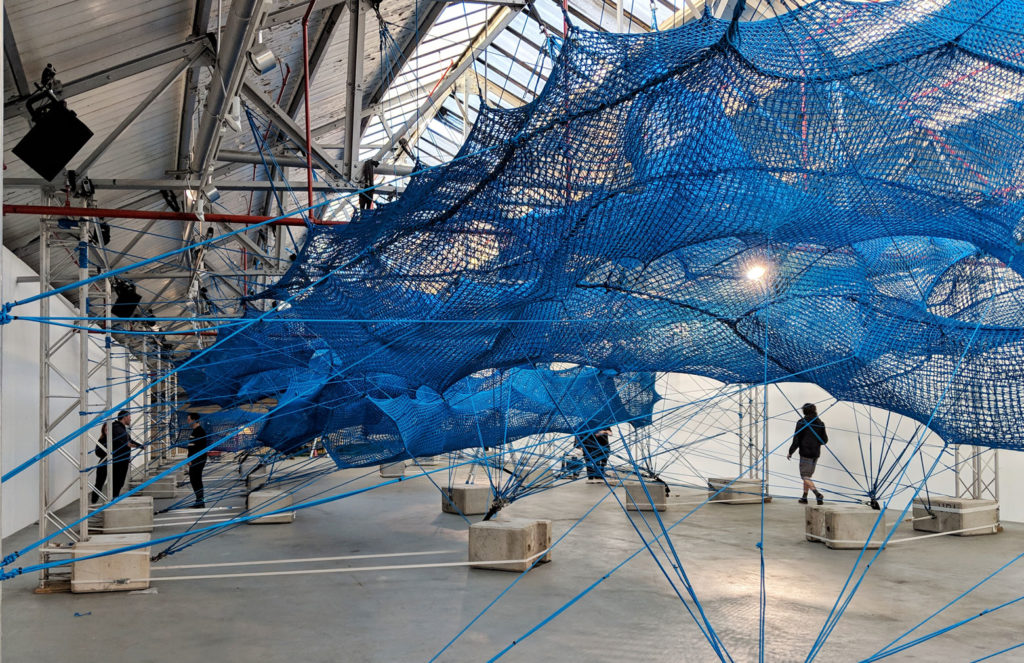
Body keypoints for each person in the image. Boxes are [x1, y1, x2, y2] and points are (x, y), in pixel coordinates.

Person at [93, 410, 141, 503]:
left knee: (118, 482)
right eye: (129, 416)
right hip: (109, 462)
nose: (130, 418)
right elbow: (98, 452)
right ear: (125, 417)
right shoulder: (115, 430)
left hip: (119, 462)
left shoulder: (122, 430)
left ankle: (113, 500)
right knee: (101, 483)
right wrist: (126, 445)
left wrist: (141, 446)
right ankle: (95, 503)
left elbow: (128, 442)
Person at [787, 403, 828, 505]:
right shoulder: (820, 423)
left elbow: (796, 439)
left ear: (804, 411)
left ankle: (818, 494)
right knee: (807, 476)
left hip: (805, 453)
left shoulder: (801, 422)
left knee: (805, 476)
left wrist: (790, 451)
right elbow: (824, 440)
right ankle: (804, 497)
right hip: (816, 453)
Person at [186, 412, 210, 508]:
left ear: (194, 420)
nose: (188, 422)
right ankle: (199, 500)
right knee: (194, 479)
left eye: (189, 420)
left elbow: (198, 448)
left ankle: (200, 501)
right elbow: (192, 447)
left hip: (198, 460)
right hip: (194, 459)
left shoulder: (200, 432)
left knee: (196, 479)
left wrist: (192, 459)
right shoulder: (195, 431)